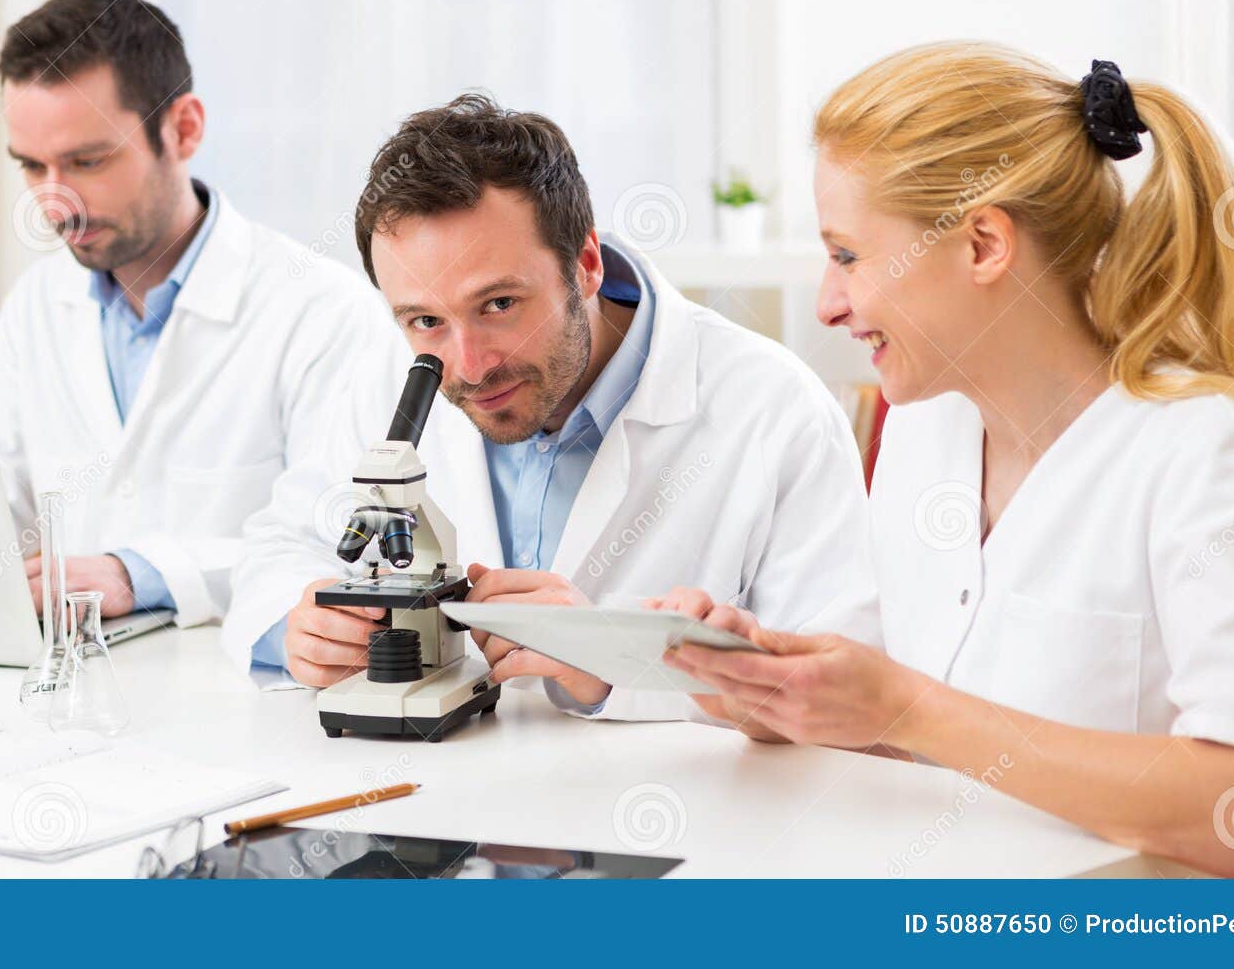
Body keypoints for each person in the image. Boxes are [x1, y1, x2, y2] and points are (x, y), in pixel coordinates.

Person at [658, 43, 1234, 877]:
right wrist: (780, 699)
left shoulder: (1203, 453)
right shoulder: (925, 435)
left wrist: (909, 706)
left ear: (984, 245)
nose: (827, 301)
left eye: (848, 254)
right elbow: (910, 756)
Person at [223, 93, 877, 720]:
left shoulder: (773, 409)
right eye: (425, 320)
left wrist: (613, 666)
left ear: (585, 262)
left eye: (499, 305)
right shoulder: (385, 384)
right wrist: (296, 627)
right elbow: (277, 545)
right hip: (439, 813)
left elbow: (845, 686)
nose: (470, 366)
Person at [0, 0, 397, 627]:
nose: (54, 204)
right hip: (79, 689)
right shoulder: (34, 308)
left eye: (88, 161)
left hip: (240, 695)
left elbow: (346, 543)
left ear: (184, 129)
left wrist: (139, 573)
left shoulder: (321, 312)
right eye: (32, 166)